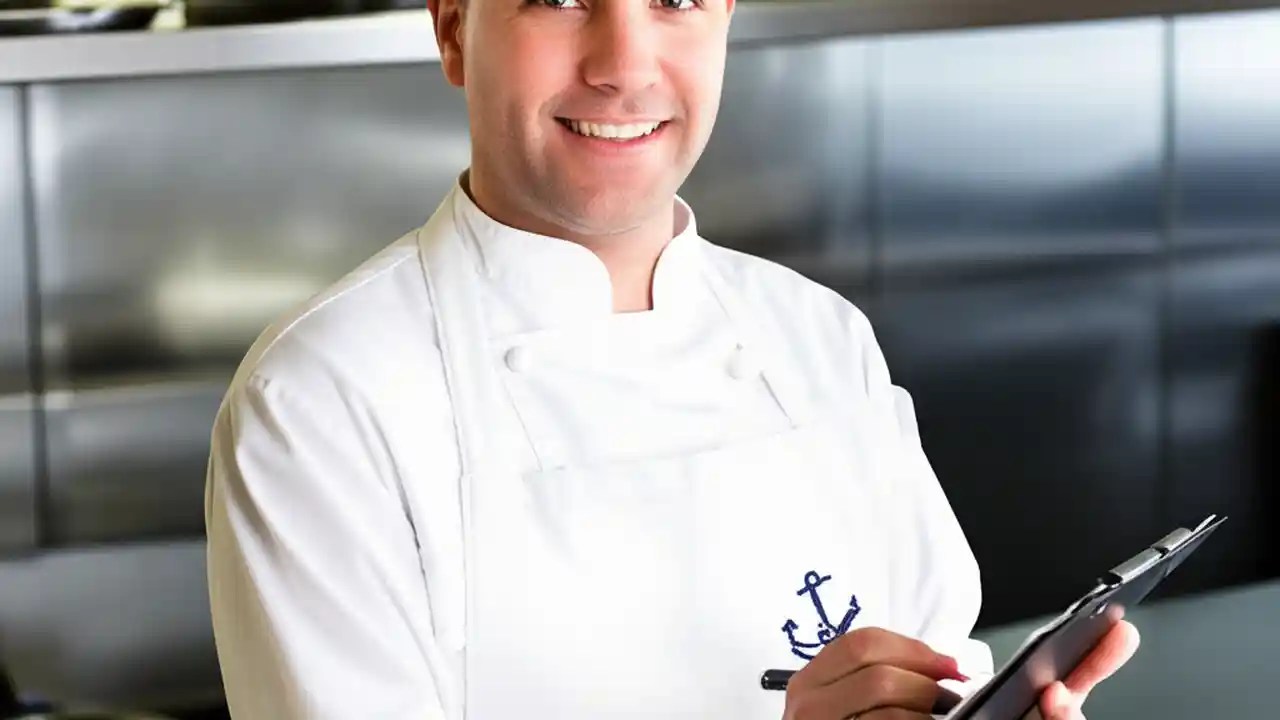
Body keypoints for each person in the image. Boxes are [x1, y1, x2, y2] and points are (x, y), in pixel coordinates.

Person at [204, 0, 1140, 716]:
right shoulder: (322, 397)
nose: (623, 66)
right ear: (454, 27)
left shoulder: (820, 338)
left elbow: (939, 662)